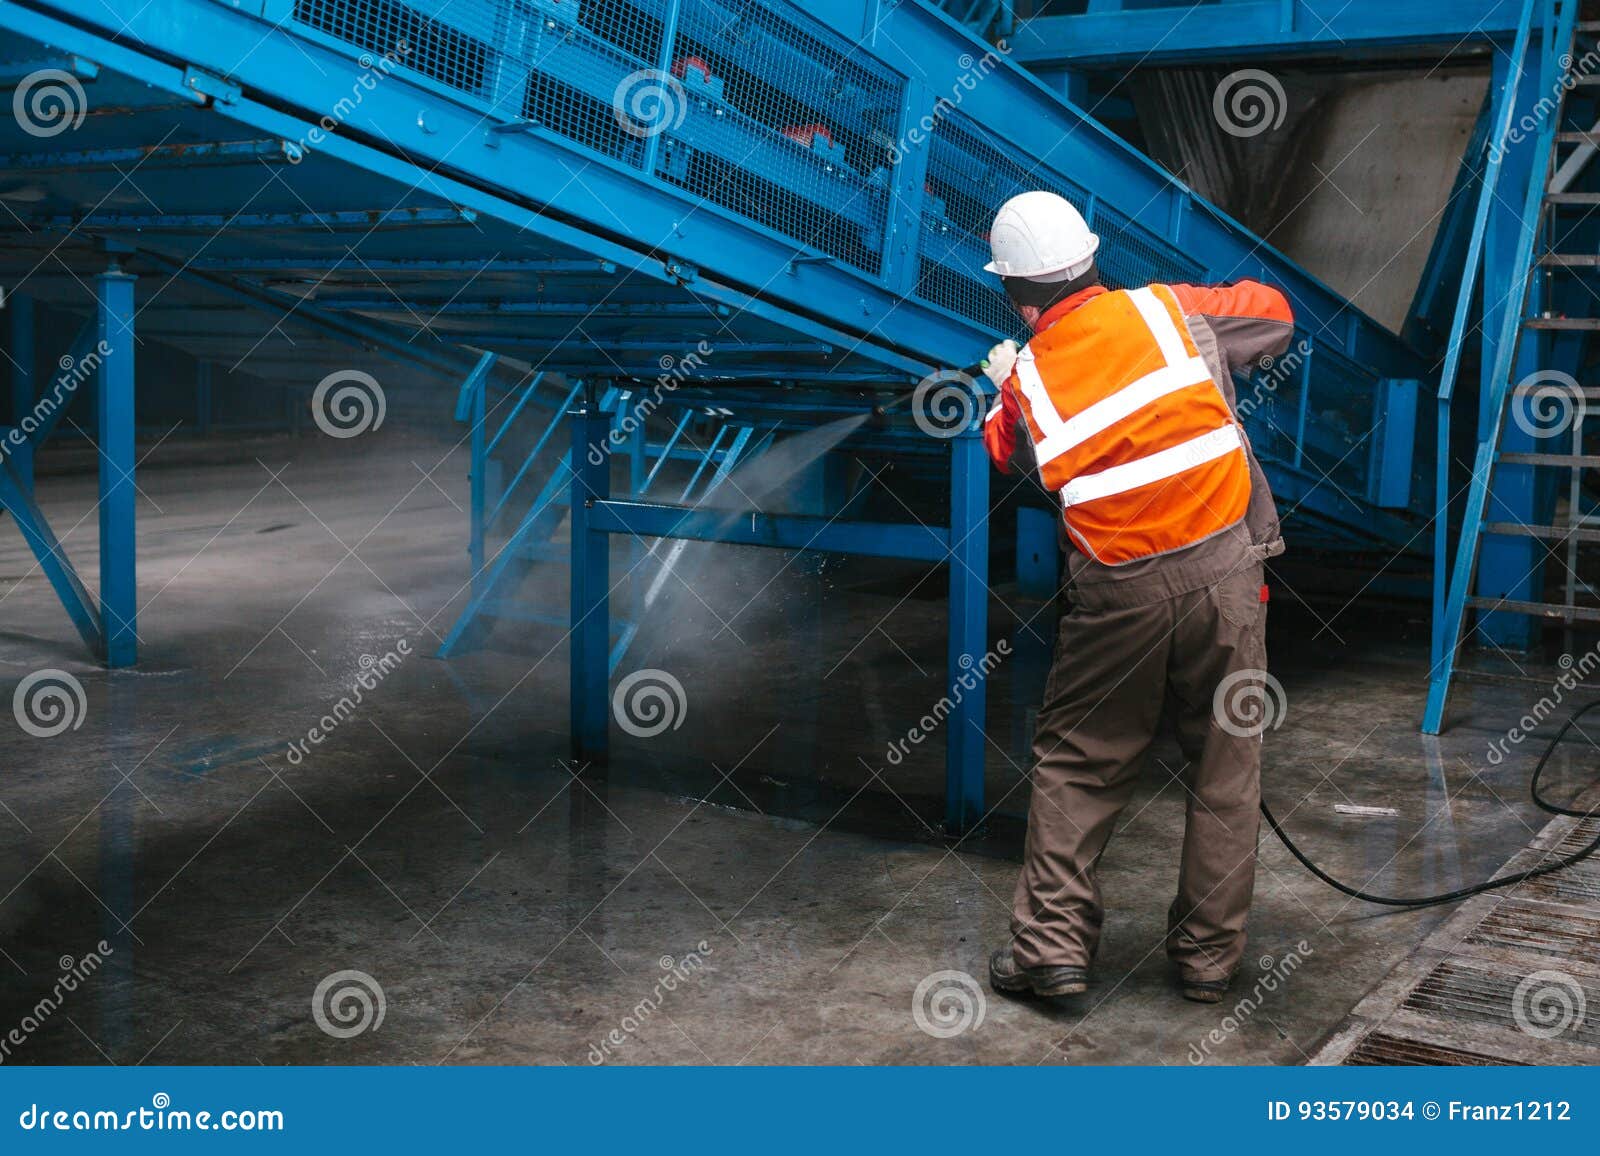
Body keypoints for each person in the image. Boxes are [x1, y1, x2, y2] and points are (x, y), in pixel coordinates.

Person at [978, 190, 1292, 1003]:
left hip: (1119, 594)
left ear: (1016, 295)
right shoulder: (1166, 311)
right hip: (1225, 573)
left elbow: (1004, 454)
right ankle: (1208, 962)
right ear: (1091, 257)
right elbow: (1275, 316)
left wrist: (1008, 377)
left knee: (1080, 764)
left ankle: (1051, 954)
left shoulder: (1027, 382)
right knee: (1227, 762)